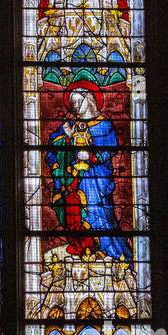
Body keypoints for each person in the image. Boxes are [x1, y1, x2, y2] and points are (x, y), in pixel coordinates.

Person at [45, 82, 132, 262]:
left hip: (97, 179)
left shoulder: (104, 125)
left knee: (98, 214)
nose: (75, 108)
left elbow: (109, 150)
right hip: (75, 179)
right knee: (71, 210)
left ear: (89, 100)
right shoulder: (71, 124)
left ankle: (113, 254)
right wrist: (67, 138)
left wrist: (92, 157)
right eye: (73, 104)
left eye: (78, 103)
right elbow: (52, 146)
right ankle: (82, 246)